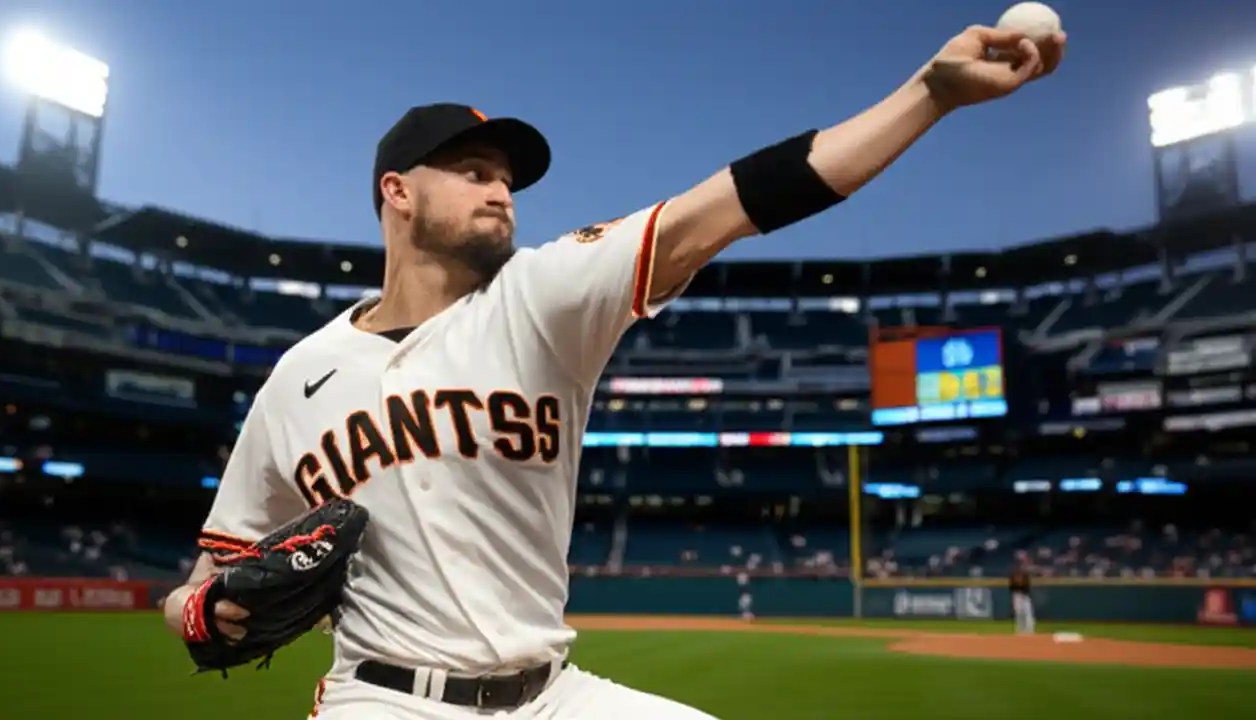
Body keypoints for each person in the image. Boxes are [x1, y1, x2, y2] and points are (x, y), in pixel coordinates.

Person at [161, 23, 1065, 719]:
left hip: (558, 695)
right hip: (383, 698)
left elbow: (734, 202)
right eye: (472, 169)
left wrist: (929, 94)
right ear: (397, 192)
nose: (501, 189)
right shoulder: (300, 375)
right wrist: (196, 613)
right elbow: (211, 574)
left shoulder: (542, 298)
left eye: (508, 176)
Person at [1009, 562, 1036, 634]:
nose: (1021, 569)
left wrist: (1021, 585)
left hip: (1025, 596)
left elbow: (1027, 588)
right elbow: (1012, 588)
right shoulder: (1013, 576)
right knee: (1019, 614)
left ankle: (1030, 631)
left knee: (1028, 613)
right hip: (1017, 596)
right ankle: (1021, 631)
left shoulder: (1025, 576)